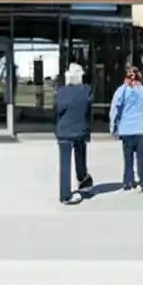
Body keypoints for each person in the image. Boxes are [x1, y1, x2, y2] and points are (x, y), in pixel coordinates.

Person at [110, 66, 143, 192]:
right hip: (140, 129)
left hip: (125, 129)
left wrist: (113, 128)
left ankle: (128, 182)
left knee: (128, 157)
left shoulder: (121, 91)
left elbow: (114, 109)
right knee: (141, 157)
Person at [54, 63, 94, 205]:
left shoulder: (61, 92)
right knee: (80, 156)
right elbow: (88, 109)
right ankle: (83, 180)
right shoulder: (86, 90)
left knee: (65, 165)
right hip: (81, 130)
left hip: (64, 131)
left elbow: (58, 110)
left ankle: (65, 195)